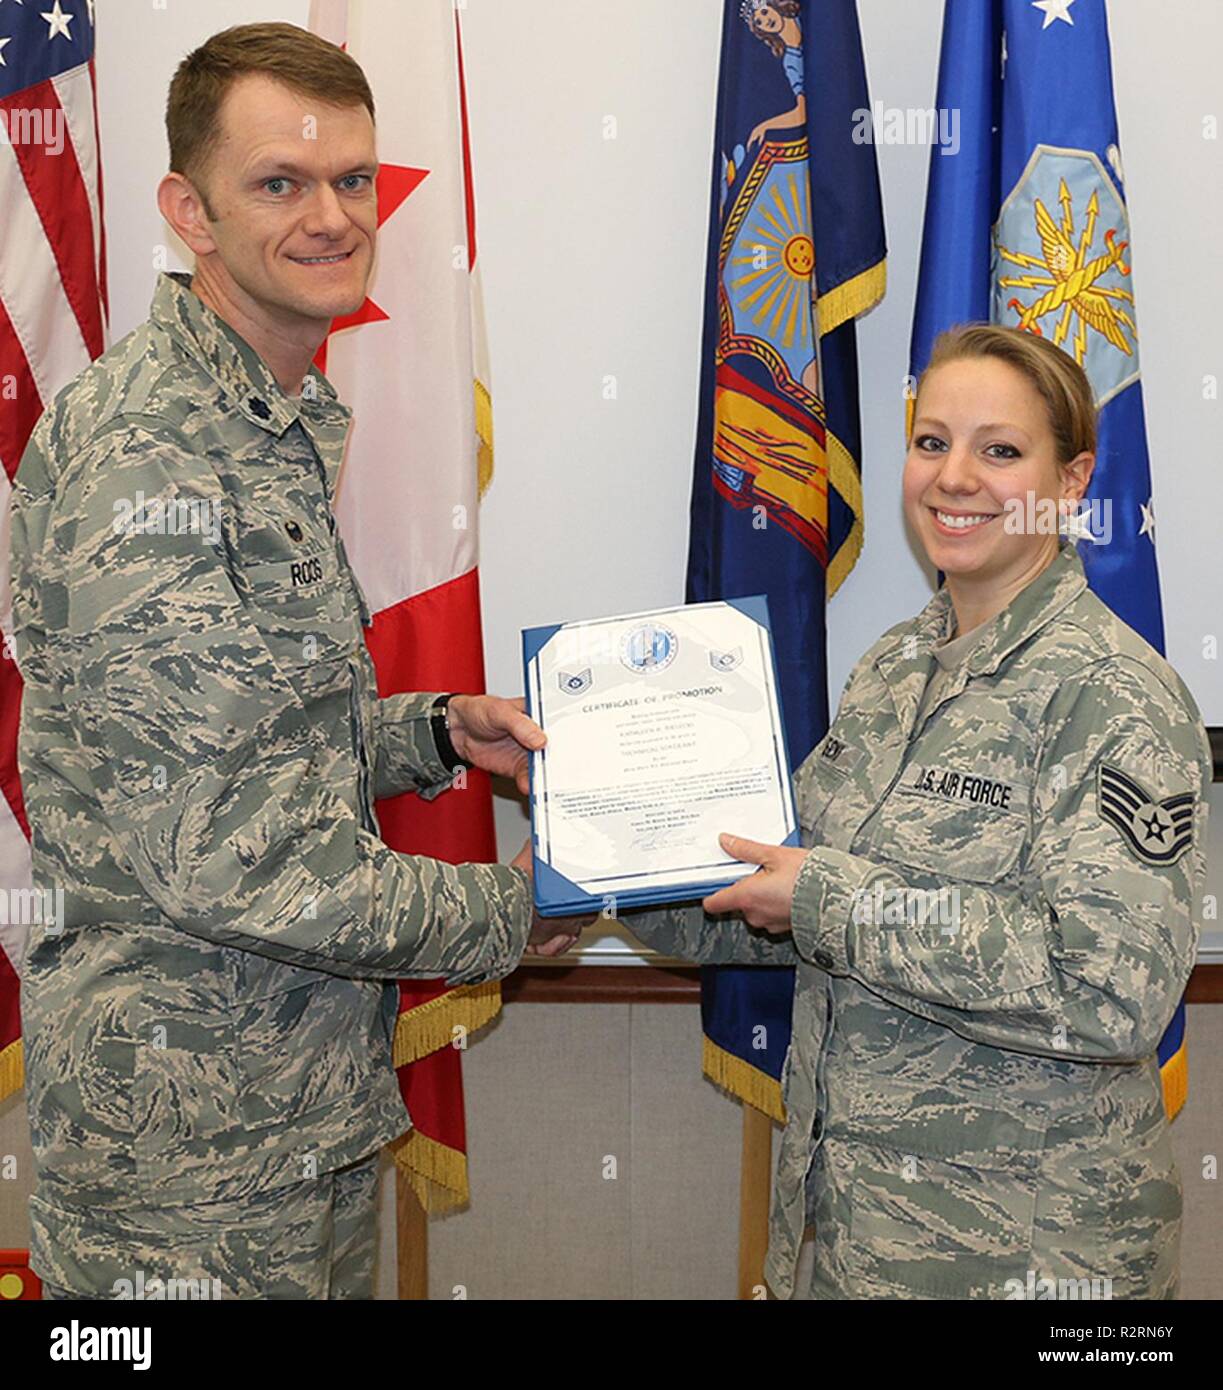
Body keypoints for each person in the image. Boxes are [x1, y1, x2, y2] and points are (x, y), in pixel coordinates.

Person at [10, 23, 583, 1301]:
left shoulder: (264, 421)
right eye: (279, 183)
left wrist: (432, 730)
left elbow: (255, 730)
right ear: (188, 211)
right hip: (186, 1166)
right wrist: (515, 912)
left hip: (294, 1111)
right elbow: (226, 849)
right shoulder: (151, 452)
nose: (331, 218)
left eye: (353, 182)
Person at [623, 323, 1211, 1300]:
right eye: (931, 442)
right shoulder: (892, 669)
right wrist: (606, 879)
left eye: (999, 450)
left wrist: (834, 901)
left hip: (1032, 1266)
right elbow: (787, 898)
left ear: (1069, 483)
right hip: (861, 1246)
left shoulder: (1114, 694)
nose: (954, 477)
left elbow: (1110, 993)